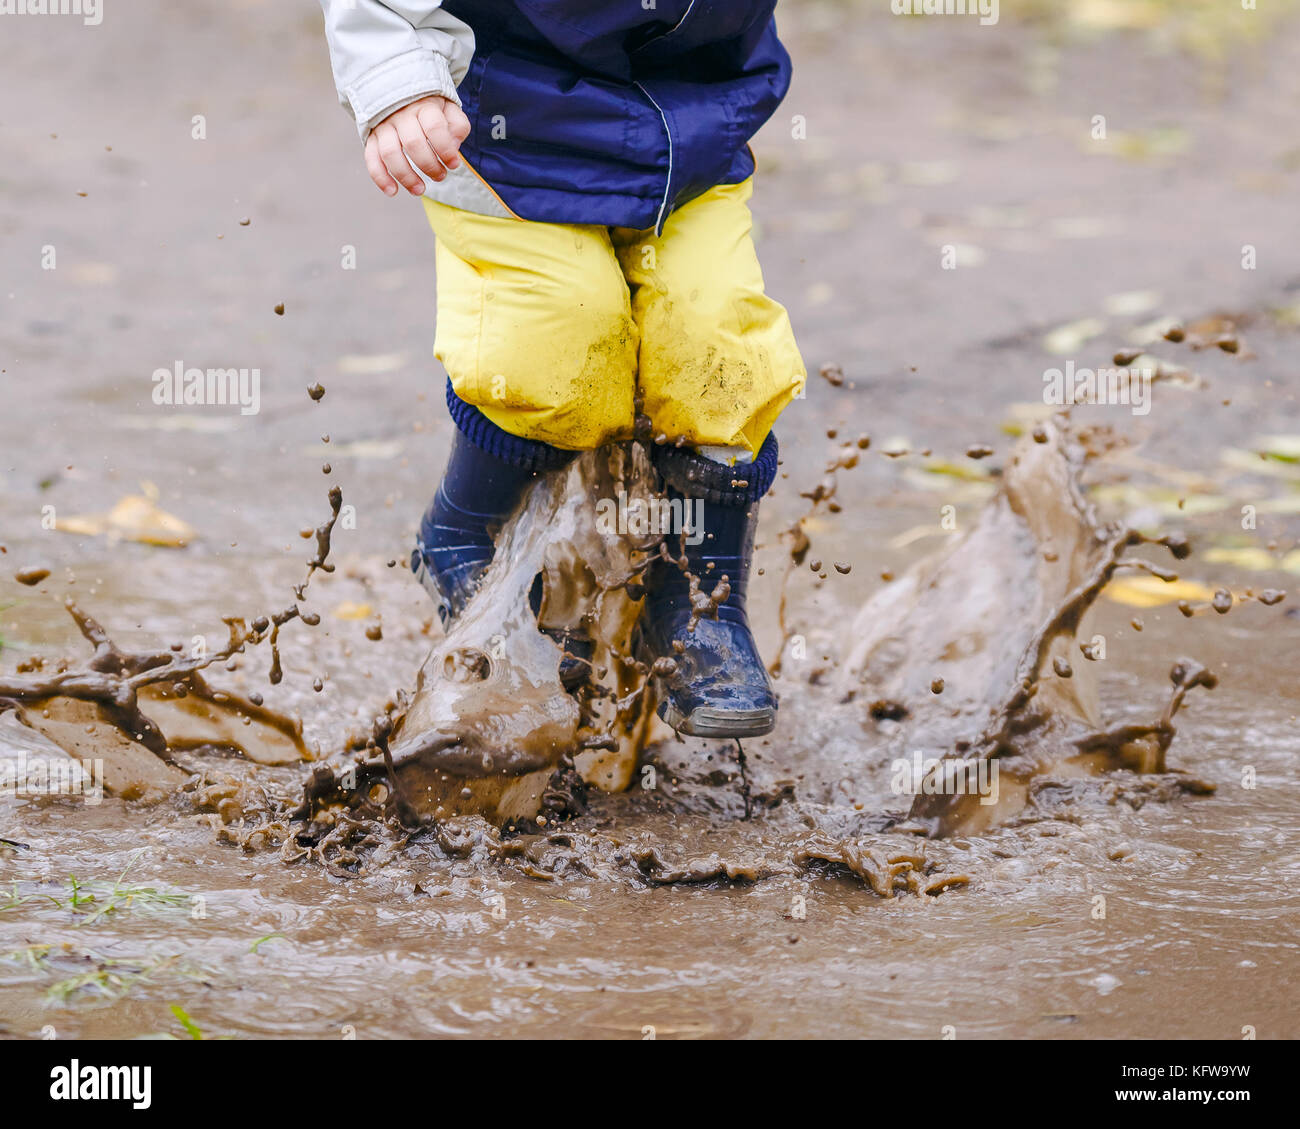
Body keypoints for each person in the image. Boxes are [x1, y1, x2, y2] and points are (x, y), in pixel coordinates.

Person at [320, 0, 805, 737]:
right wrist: (396, 79)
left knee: (721, 346)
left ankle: (702, 600)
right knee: (558, 336)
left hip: (691, 128)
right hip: (509, 129)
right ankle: (466, 534)